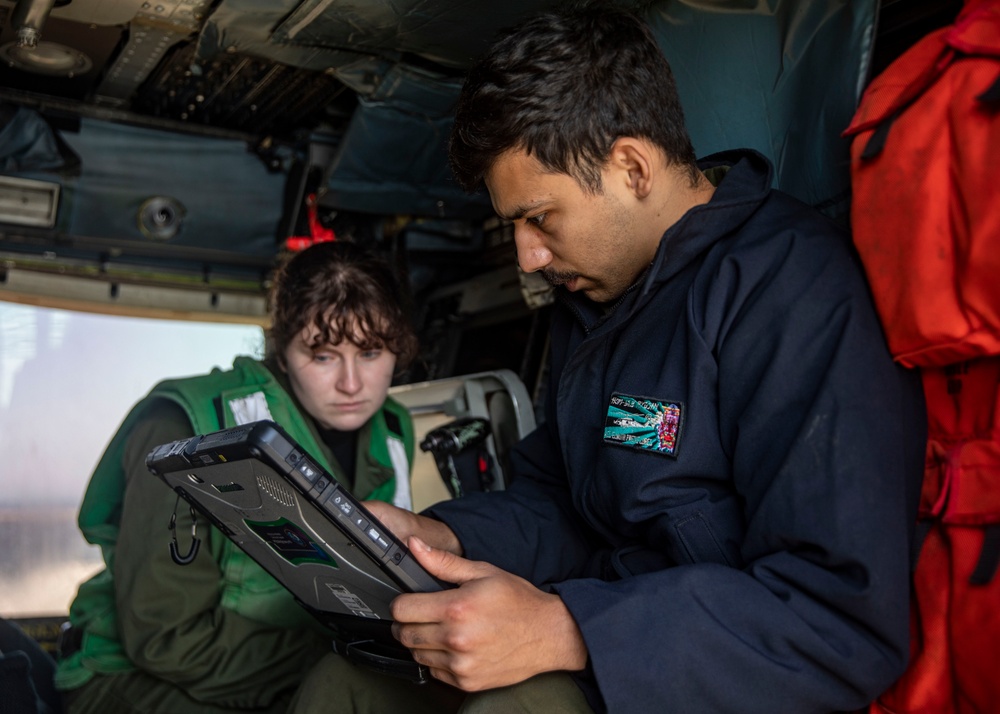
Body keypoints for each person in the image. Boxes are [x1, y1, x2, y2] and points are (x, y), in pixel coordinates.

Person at [289, 6, 927, 714]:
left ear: (631, 168)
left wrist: (570, 629)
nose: (528, 257)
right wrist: (441, 534)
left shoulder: (789, 287)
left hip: (705, 671)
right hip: (603, 626)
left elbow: (837, 618)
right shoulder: (594, 301)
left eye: (539, 218)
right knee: (343, 685)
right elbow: (561, 501)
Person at [54, 240, 420, 714]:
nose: (351, 384)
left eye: (370, 352)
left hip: (298, 663)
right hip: (128, 675)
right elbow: (165, 639)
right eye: (323, 356)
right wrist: (347, 661)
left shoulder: (394, 430)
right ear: (281, 352)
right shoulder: (185, 428)